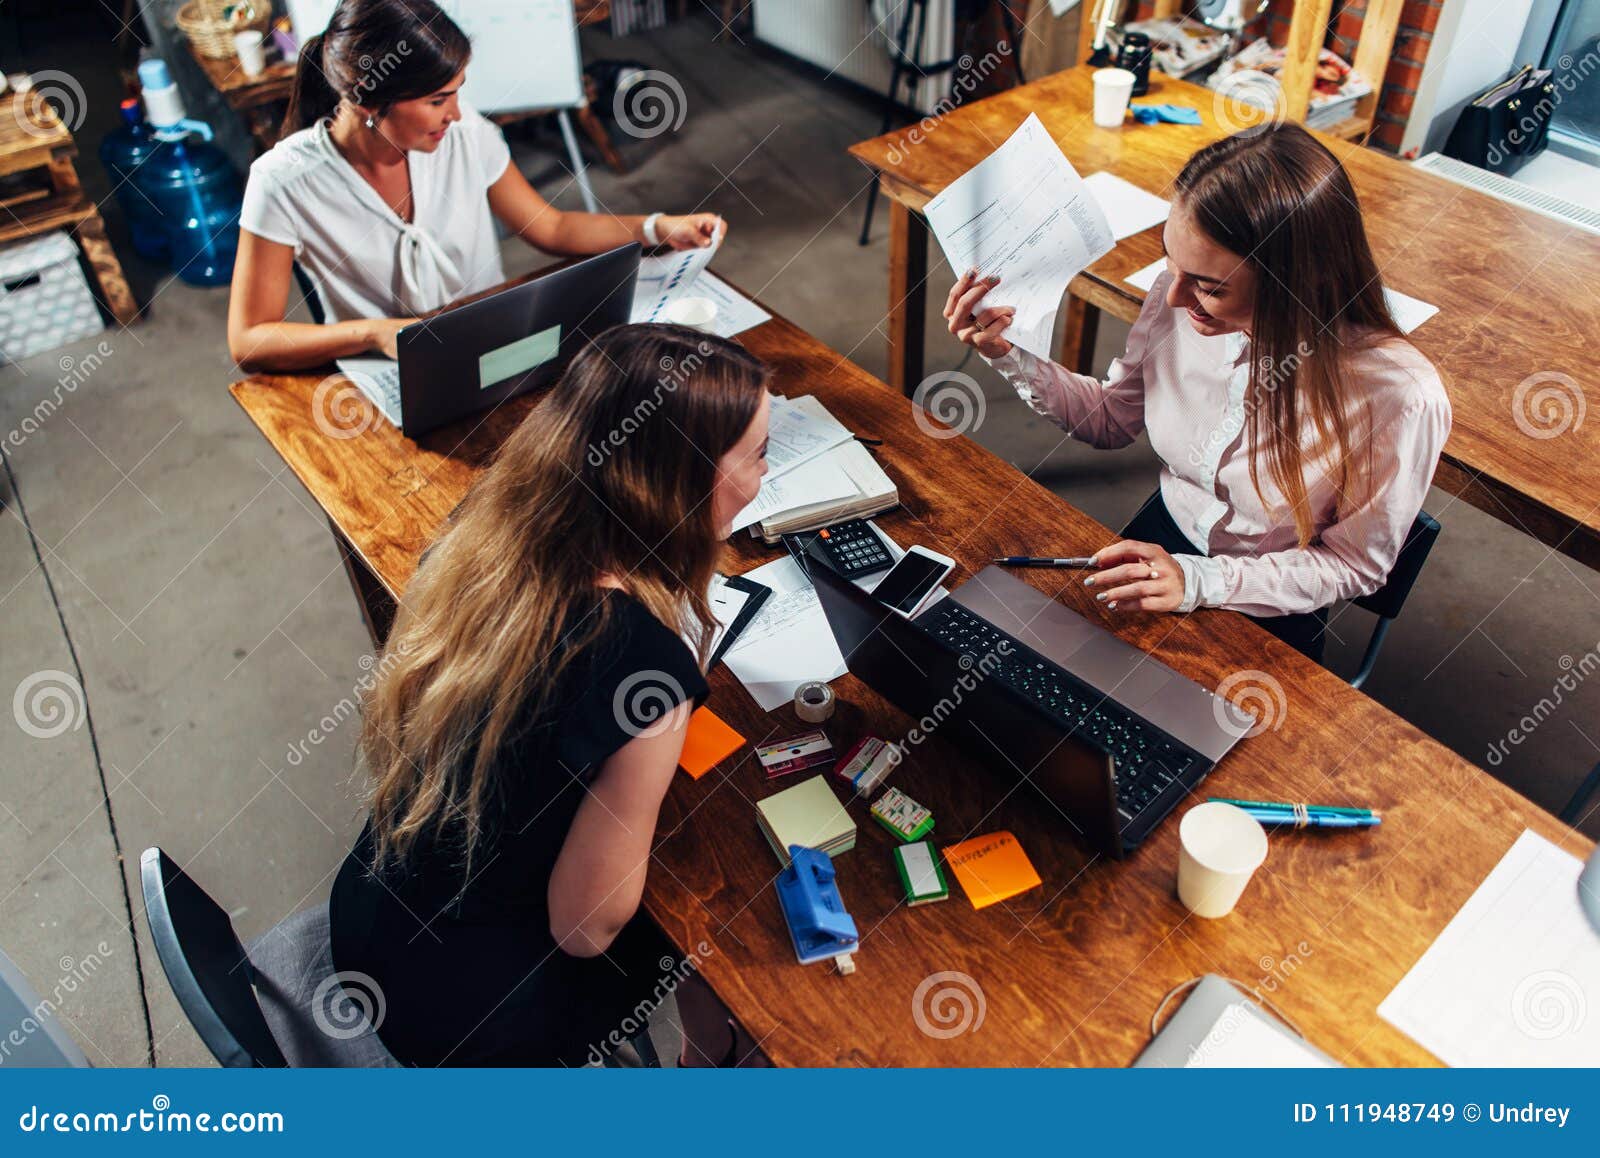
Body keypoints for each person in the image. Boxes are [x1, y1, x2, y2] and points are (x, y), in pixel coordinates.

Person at [330, 323, 772, 1066]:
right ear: (684, 479)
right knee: (723, 942)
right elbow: (586, 927)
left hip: (374, 915)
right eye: (757, 455)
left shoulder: (486, 538)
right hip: (470, 1017)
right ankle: (712, 1056)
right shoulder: (646, 668)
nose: (766, 472)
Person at [944, 123, 1451, 660]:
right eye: (1171, 261)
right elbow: (1111, 421)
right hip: (1160, 533)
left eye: (1210, 287)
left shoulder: (1398, 395)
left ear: (1298, 284)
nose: (1174, 295)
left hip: (1270, 592)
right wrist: (1009, 352)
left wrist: (1199, 581)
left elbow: (1353, 564)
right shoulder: (1177, 292)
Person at [228, 0, 723, 372]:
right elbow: (250, 340)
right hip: (385, 375)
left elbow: (551, 226)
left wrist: (657, 227)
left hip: (491, 352)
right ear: (366, 103)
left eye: (458, 93)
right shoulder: (285, 181)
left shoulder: (465, 136)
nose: (456, 114)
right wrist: (377, 335)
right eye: (438, 99)